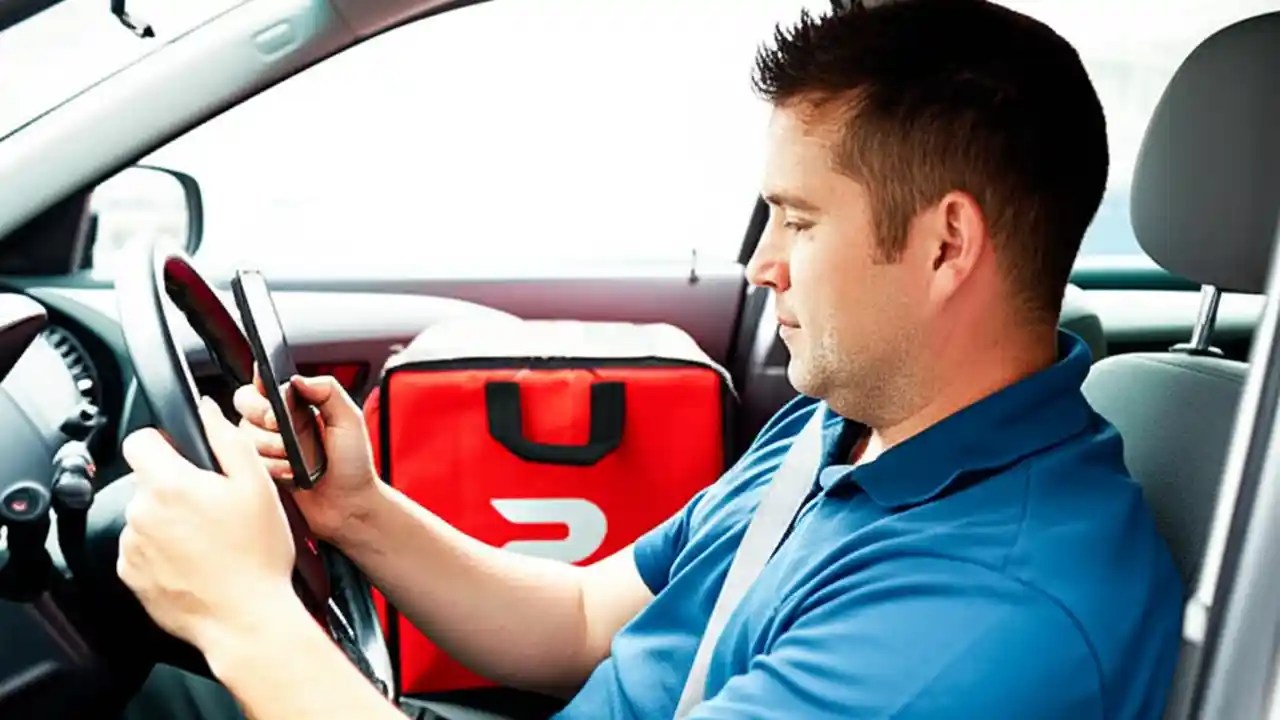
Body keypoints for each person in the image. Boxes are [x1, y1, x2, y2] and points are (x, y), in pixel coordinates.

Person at [117, 1, 1184, 718]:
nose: (761, 265)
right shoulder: (847, 430)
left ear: (944, 245)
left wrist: (240, 610)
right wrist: (360, 514)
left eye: (796, 222)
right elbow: (587, 622)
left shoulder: (985, 618)